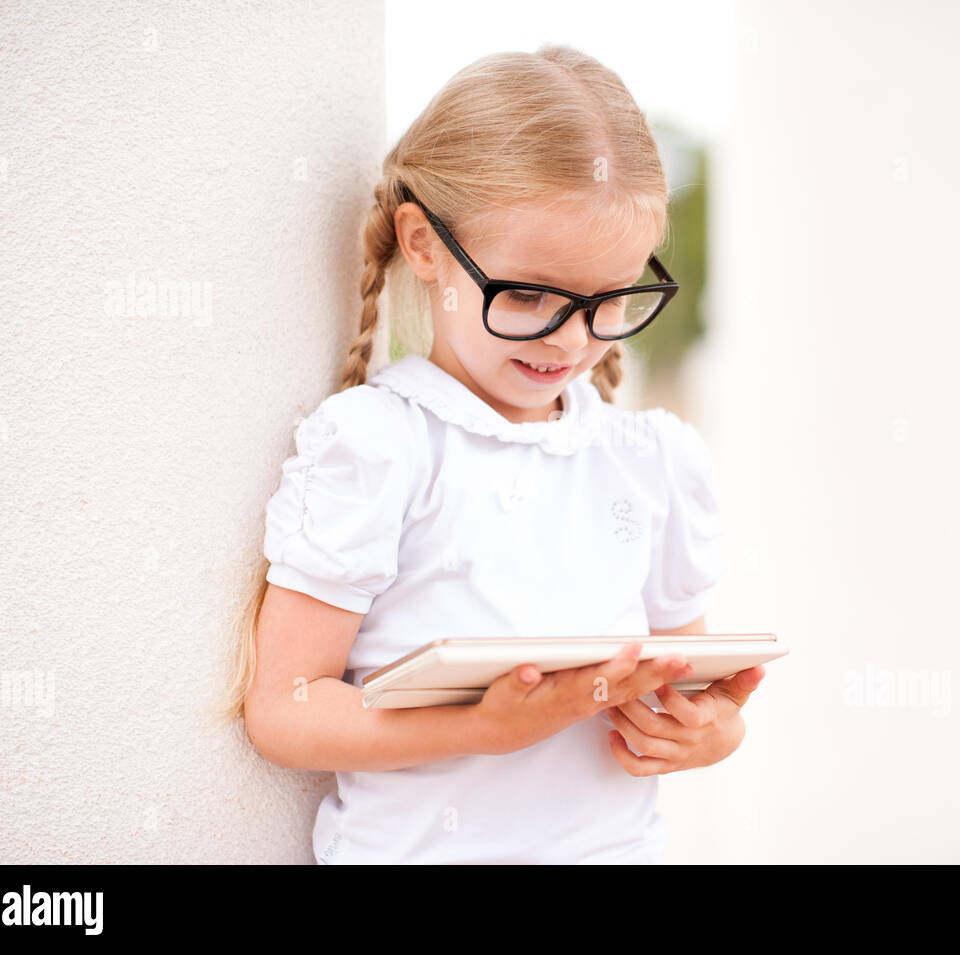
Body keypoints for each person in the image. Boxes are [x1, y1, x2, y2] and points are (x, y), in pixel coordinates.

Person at [222, 44, 765, 864]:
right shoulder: (383, 447)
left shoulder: (647, 462)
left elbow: (681, 667)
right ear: (426, 244)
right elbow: (284, 708)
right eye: (529, 294)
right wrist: (478, 728)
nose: (574, 338)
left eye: (609, 300)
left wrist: (709, 729)